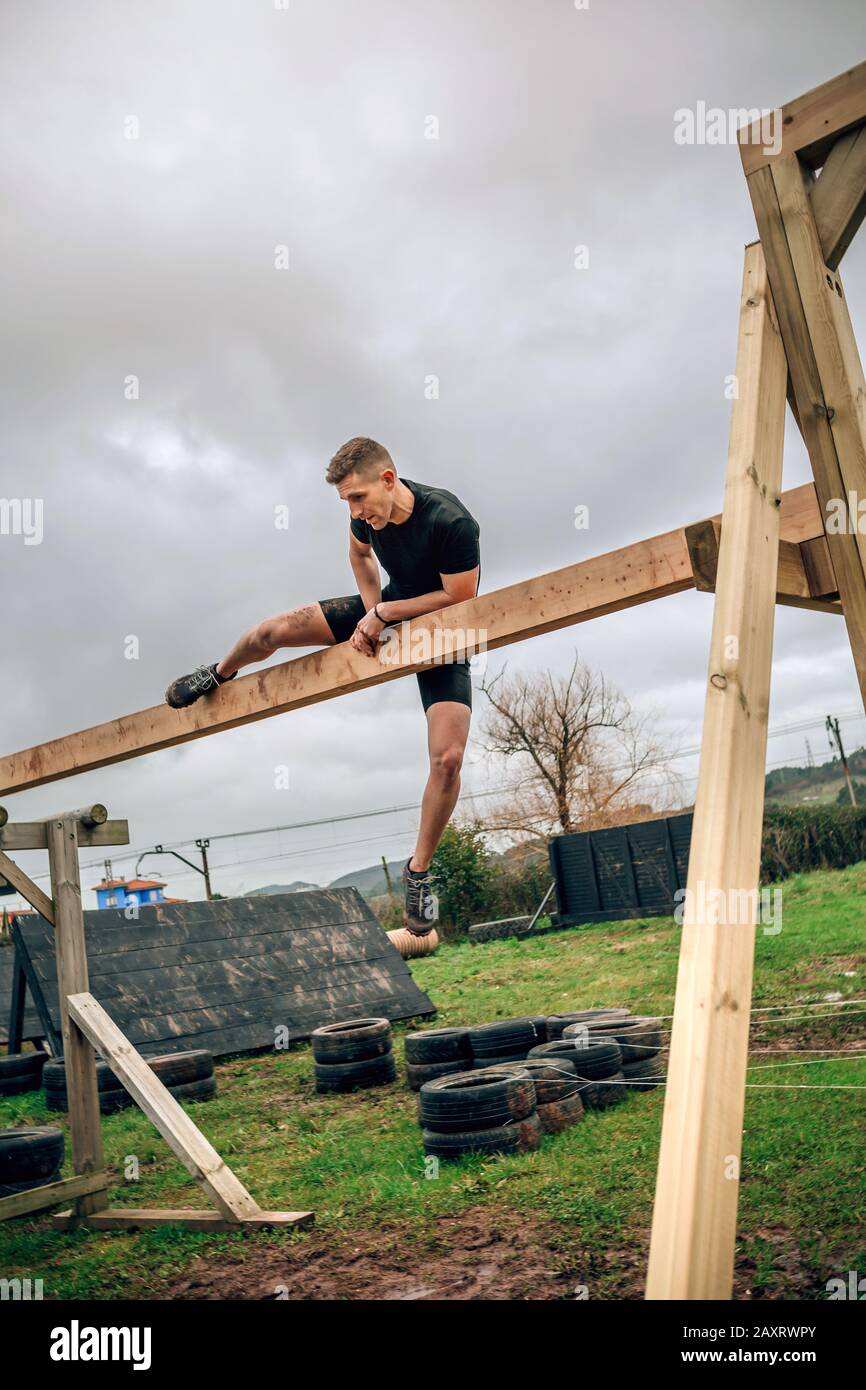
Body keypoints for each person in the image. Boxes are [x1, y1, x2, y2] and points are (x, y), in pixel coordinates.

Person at [165, 436, 481, 934]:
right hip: (389, 607)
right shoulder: (364, 516)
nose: (355, 511)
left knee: (448, 759)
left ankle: (418, 872)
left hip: (445, 625)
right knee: (273, 630)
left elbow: (460, 597)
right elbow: (361, 556)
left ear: (388, 480)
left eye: (358, 498)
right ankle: (218, 672)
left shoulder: (450, 521)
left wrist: (384, 613)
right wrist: (370, 608)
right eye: (346, 502)